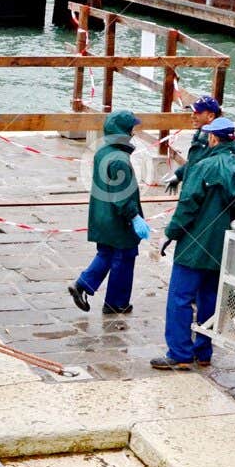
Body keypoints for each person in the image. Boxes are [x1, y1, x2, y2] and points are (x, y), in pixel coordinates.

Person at [151, 116, 235, 370]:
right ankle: (204, 352)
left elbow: (187, 207)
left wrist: (170, 234)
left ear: (213, 138)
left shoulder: (203, 167)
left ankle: (179, 353)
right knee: (209, 299)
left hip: (194, 246)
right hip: (221, 246)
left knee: (180, 298)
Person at [69, 110, 151, 315]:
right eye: (131, 128)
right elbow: (122, 196)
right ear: (123, 131)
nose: (133, 132)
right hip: (118, 221)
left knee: (106, 253)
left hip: (101, 217)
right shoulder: (119, 159)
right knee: (124, 259)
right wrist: (134, 217)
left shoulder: (102, 152)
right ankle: (116, 303)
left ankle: (82, 285)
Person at [165, 94, 222, 193]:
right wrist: (179, 175)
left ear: (211, 116)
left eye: (197, 113)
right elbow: (194, 162)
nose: (192, 116)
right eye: (192, 112)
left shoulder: (216, 142)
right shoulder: (200, 134)